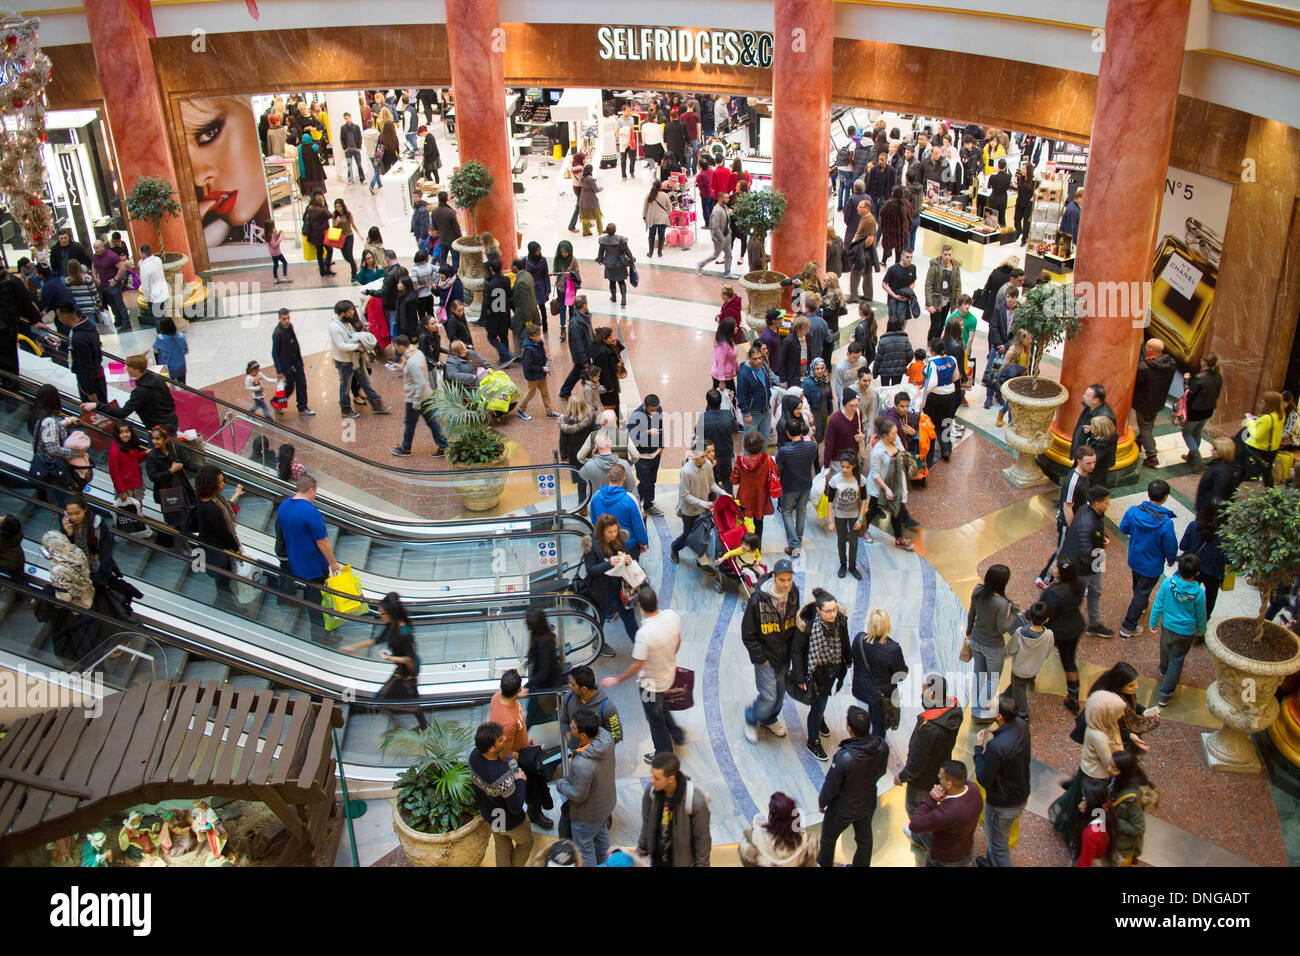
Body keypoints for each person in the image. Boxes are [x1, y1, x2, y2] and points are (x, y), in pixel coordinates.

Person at [601, 585, 683, 763]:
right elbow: (678, 641)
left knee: (654, 717)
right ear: (657, 601)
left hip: (650, 684)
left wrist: (617, 679)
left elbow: (637, 665)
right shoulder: (672, 616)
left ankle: (663, 753)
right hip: (669, 674)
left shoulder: (644, 635)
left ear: (640, 607)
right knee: (661, 705)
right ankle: (677, 733)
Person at [340, 592, 428, 730]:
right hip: (401, 668)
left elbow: (409, 659)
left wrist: (389, 658)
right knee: (400, 694)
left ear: (391, 613)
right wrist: (353, 647)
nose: (381, 616)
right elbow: (377, 640)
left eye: (383, 613)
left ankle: (423, 725)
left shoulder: (404, 633)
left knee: (406, 696)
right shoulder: (392, 625)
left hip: (409, 670)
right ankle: (422, 724)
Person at [1049, 690, 1124, 852]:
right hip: (1095, 776)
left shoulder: (1099, 726)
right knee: (1086, 809)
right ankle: (1080, 837)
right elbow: (1110, 761)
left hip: (1090, 773)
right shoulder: (1099, 736)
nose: (1121, 716)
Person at [896, 677, 963, 851]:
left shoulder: (928, 728)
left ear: (932, 695)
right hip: (939, 768)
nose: (921, 692)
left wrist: (902, 777)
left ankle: (931, 844)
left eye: (924, 689)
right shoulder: (954, 710)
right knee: (929, 806)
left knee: (915, 810)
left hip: (922, 780)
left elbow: (916, 763)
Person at [277, 473, 342, 642]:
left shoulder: (284, 506)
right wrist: (333, 563)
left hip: (294, 562)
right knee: (316, 602)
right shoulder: (311, 512)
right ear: (311, 490)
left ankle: (321, 633)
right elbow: (322, 541)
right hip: (313, 566)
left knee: (310, 597)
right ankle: (320, 637)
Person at [741, 557, 800, 743]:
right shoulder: (758, 600)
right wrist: (761, 658)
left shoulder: (794, 593)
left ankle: (769, 719)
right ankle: (751, 717)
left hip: (784, 655)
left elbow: (796, 621)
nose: (786, 584)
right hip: (766, 657)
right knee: (768, 697)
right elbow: (748, 633)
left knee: (780, 694)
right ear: (773, 577)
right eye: (782, 580)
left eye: (789, 580)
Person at [790, 588, 851, 762]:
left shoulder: (840, 620)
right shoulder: (808, 626)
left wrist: (848, 658)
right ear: (818, 610)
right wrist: (800, 677)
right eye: (829, 611)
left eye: (835, 609)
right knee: (818, 705)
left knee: (822, 701)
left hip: (832, 668)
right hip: (815, 672)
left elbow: (844, 640)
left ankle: (820, 717)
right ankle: (813, 741)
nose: (833, 614)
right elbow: (797, 651)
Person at [973, 696, 1031, 867]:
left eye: (993, 706)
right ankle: (991, 863)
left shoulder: (997, 746)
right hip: (1019, 792)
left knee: (998, 846)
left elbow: (984, 778)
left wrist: (978, 750)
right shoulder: (1021, 725)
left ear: (1000, 717)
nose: (989, 704)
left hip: (1002, 805)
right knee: (997, 840)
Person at [553, 709, 616, 866]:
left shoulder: (583, 764)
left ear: (583, 736)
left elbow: (578, 794)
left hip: (587, 815)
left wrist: (561, 785)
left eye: (573, 727)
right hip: (605, 805)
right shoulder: (606, 738)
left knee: (584, 849)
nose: (570, 728)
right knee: (602, 839)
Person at [1118, 479, 1179, 639]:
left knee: (1137, 585)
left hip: (1135, 558)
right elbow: (1170, 545)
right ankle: (1128, 626)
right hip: (1152, 565)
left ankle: (1141, 606)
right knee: (1142, 593)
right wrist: (1171, 559)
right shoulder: (1165, 523)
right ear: (1165, 497)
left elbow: (1124, 528)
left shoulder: (1133, 511)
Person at [468, 721, 534, 868]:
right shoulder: (501, 775)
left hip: (493, 815)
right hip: (512, 822)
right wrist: (521, 779)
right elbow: (516, 807)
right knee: (526, 844)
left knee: (502, 847)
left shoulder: (474, 757)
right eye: (500, 740)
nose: (504, 738)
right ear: (492, 748)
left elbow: (507, 759)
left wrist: (511, 760)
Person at [1151, 552, 1208, 707]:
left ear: (1179, 568)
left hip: (1167, 626)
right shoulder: (1199, 593)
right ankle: (1165, 694)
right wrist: (1201, 629)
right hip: (1186, 632)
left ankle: (1163, 669)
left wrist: (1153, 622)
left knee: (1165, 649)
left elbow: (1158, 604)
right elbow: (1201, 614)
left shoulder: (1167, 584)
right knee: (1176, 660)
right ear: (1197, 573)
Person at [635, 752, 711, 867]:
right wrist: (641, 848)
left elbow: (702, 843)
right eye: (652, 776)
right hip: (657, 860)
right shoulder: (652, 791)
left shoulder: (695, 802)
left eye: (657, 778)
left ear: (670, 779)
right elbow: (647, 822)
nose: (652, 781)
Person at [966, 564, 1020, 722]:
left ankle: (976, 708)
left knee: (978, 674)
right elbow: (1002, 628)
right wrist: (1014, 613)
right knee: (992, 678)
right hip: (993, 647)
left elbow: (971, 614)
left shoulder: (977, 591)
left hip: (976, 640)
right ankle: (980, 711)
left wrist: (969, 633)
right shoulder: (1001, 603)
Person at [582, 513, 642, 654]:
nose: (614, 534)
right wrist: (608, 564)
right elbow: (590, 569)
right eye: (610, 532)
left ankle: (641, 648)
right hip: (602, 591)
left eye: (615, 530)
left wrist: (628, 559)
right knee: (599, 619)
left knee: (629, 618)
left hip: (620, 589)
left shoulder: (620, 538)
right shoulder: (591, 544)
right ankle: (598, 644)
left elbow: (626, 555)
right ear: (601, 531)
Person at [1036, 445, 1095, 587]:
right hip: (1067, 523)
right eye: (1089, 463)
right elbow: (1067, 508)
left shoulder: (1084, 476)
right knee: (1063, 552)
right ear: (1079, 461)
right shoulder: (1073, 482)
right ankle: (1044, 578)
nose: (1092, 466)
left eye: (1093, 462)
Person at [1059, 485, 1113, 637]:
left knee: (1096, 590)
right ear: (1097, 503)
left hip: (1095, 560)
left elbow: (1095, 533)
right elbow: (1085, 552)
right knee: (1077, 596)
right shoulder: (1087, 523)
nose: (1108, 505)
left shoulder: (1089, 511)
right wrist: (1101, 548)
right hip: (1084, 566)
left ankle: (1094, 624)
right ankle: (1069, 623)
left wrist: (1101, 539)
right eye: (1106, 502)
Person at [908, 759, 983, 867]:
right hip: (965, 849)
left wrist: (931, 799)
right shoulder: (974, 789)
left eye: (941, 777)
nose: (938, 776)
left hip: (946, 859)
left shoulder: (947, 812)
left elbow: (915, 825)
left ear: (949, 784)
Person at [83, 353, 178, 436]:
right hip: (170, 423)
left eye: (128, 367)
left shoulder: (140, 392)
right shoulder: (157, 379)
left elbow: (122, 412)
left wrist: (97, 405)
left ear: (136, 371)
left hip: (158, 431)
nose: (126, 369)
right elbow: (170, 401)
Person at [850, 608, 908, 739]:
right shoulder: (892, 649)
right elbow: (901, 674)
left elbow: (853, 657)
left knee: (873, 711)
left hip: (864, 689)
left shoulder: (859, 639)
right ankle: (876, 749)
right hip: (881, 695)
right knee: (879, 728)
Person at [329, 300, 391, 419]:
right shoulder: (334, 327)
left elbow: (352, 336)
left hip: (355, 358)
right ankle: (345, 408)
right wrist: (358, 346)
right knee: (345, 385)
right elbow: (341, 345)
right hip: (344, 361)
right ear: (342, 313)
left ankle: (377, 405)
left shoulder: (346, 323)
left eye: (352, 310)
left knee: (365, 381)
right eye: (349, 311)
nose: (353, 313)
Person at [193, 464, 244, 608]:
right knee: (223, 580)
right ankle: (225, 604)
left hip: (212, 550)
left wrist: (235, 496)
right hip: (218, 553)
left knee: (222, 580)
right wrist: (236, 548)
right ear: (211, 484)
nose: (223, 484)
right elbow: (224, 533)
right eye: (220, 482)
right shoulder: (211, 508)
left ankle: (224, 601)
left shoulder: (208, 499)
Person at [389, 335, 449, 458]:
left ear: (401, 346)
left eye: (396, 347)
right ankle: (443, 445)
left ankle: (405, 448)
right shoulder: (415, 352)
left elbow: (419, 382)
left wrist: (416, 403)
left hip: (416, 398)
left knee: (410, 423)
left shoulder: (412, 362)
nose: (395, 349)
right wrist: (400, 367)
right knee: (431, 421)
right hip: (426, 394)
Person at [143, 426, 194, 548]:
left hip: (182, 488)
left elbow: (188, 464)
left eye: (157, 439)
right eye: (153, 439)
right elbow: (153, 477)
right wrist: (171, 471)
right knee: (175, 521)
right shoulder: (152, 456)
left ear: (165, 439)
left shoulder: (176, 448)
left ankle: (186, 543)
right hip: (167, 493)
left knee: (186, 517)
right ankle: (182, 545)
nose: (154, 441)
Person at [774, 418, 818, 557]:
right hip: (806, 484)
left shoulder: (784, 451)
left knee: (786, 512)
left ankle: (794, 544)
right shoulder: (811, 446)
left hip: (789, 486)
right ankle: (797, 540)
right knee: (801, 511)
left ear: (787, 433)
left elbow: (778, 470)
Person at [1132, 338, 1178, 468]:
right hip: (1158, 401)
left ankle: (1152, 456)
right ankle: (1139, 441)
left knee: (1145, 428)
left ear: (1150, 350)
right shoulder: (1171, 363)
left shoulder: (1144, 367)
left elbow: (1136, 383)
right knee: (1149, 424)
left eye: (1146, 347)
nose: (1145, 348)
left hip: (1144, 402)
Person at [738, 791, 816, 867]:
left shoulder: (753, 843)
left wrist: (755, 831)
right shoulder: (807, 843)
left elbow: (746, 860)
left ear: (772, 817)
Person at [1005, 602, 1055, 720]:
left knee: (1019, 690)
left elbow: (1011, 649)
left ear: (1029, 618)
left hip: (1019, 669)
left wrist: (1004, 654)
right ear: (1047, 620)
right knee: (1019, 685)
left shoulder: (1020, 633)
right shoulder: (1049, 635)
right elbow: (1048, 650)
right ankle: (1005, 696)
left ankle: (1023, 713)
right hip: (1035, 668)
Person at [560, 664, 624, 753]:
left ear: (583, 689)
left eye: (573, 684)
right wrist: (570, 740)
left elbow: (616, 736)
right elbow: (564, 721)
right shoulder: (569, 698)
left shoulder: (608, 708)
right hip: (576, 753)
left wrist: (594, 750)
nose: (570, 686)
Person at [1180, 508, 1227, 619]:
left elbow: (1182, 546)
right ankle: (1204, 619)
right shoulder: (1226, 536)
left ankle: (1185, 615)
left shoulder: (1194, 526)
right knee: (1210, 597)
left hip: (1193, 567)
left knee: (1188, 591)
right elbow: (1229, 560)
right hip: (1214, 573)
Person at [54, 303, 106, 404]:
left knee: (97, 411)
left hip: (91, 381)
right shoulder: (87, 325)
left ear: (65, 315)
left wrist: (90, 392)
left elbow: (85, 366)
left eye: (59, 316)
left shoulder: (79, 337)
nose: (59, 319)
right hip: (98, 374)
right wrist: (63, 344)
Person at [731, 430, 776, 545]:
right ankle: (757, 546)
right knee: (759, 521)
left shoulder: (740, 460)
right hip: (760, 495)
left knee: (743, 522)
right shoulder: (767, 459)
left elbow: (734, 480)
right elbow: (774, 474)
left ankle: (743, 545)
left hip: (744, 495)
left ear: (745, 444)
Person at [270, 309, 314, 417]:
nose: (287, 321)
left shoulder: (290, 327)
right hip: (287, 365)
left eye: (288, 318)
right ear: (279, 318)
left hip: (296, 362)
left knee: (302, 384)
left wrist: (299, 359)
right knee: (290, 386)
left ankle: (303, 407)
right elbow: (274, 353)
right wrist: (279, 370)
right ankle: (276, 401)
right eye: (284, 319)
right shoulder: (277, 333)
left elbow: (294, 343)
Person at [1236, 390, 1285, 487]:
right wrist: (1258, 421)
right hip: (1272, 449)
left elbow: (1256, 435)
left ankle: (1229, 495)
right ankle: (1273, 498)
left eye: (1264, 401)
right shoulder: (1280, 415)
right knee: (1267, 473)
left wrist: (1249, 421)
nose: (1262, 403)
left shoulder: (1267, 418)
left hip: (1258, 449)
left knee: (1242, 470)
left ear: (1270, 403)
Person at [627, 394, 665, 516]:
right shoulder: (635, 416)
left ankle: (648, 504)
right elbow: (632, 438)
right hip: (642, 456)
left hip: (655, 454)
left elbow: (661, 428)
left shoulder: (658, 410)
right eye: (651, 410)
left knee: (652, 481)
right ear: (645, 406)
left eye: (656, 409)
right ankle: (635, 503)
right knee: (645, 482)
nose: (654, 412)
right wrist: (646, 433)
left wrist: (661, 446)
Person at [1110, 751, 1150, 866]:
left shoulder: (1131, 800)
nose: (1108, 769)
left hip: (1120, 844)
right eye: (1109, 765)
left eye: (1114, 769)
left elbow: (1139, 828)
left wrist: (1116, 821)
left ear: (1124, 773)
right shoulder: (1115, 781)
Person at [737, 342, 777, 442]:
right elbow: (741, 395)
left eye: (760, 358)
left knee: (765, 438)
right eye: (755, 359)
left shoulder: (763, 367)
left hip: (766, 410)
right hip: (752, 413)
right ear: (749, 359)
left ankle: (761, 457)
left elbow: (766, 384)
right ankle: (748, 458)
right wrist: (746, 413)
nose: (758, 361)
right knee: (750, 441)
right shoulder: (744, 374)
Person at [108, 421, 148, 519]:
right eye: (121, 432)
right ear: (117, 434)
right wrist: (121, 491)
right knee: (128, 514)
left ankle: (139, 530)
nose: (125, 434)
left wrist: (146, 453)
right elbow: (114, 473)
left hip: (136, 484)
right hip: (126, 487)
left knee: (138, 508)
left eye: (127, 431)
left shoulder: (129, 445)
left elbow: (135, 460)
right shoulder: (115, 451)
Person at [91, 238, 131, 332]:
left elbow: (122, 267)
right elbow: (93, 266)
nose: (96, 250)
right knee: (112, 305)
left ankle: (126, 323)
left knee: (119, 304)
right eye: (94, 248)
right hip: (103, 285)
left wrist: (115, 279)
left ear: (103, 247)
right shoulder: (95, 256)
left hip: (113, 285)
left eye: (97, 248)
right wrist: (95, 278)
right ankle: (118, 320)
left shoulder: (112, 256)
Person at [924, 244, 962, 342]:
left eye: (949, 255)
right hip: (936, 301)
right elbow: (928, 285)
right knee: (935, 325)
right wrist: (929, 303)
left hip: (947, 301)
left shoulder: (955, 268)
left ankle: (936, 342)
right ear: (941, 254)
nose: (947, 257)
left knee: (941, 325)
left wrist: (957, 301)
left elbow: (958, 285)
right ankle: (930, 341)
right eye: (945, 254)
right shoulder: (935, 267)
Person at [1069, 383, 1117, 461]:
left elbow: (1103, 443)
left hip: (1091, 461)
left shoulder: (1105, 418)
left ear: (1096, 400)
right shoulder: (1089, 406)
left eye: (1087, 395)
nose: (1083, 396)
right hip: (1082, 453)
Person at [697, 191, 736, 278]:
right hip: (720, 238)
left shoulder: (724, 207)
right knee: (715, 256)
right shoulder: (717, 210)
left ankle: (727, 272)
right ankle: (700, 264)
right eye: (726, 198)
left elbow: (726, 220)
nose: (728, 199)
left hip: (726, 236)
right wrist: (721, 238)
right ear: (721, 198)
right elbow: (715, 227)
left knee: (729, 255)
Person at [1196, 436, 1238, 514]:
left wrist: (1209, 513)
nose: (1212, 450)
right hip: (1205, 506)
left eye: (1215, 449)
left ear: (1223, 452)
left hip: (1208, 511)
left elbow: (1217, 494)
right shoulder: (1220, 464)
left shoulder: (1222, 471)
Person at [151, 315, 188, 385]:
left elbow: (155, 350)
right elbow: (185, 350)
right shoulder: (181, 336)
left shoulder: (160, 338)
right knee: (183, 385)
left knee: (169, 386)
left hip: (167, 368)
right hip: (181, 367)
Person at [429, 192, 462, 269]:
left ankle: (444, 273)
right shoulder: (450, 212)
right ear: (447, 199)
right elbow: (456, 227)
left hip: (442, 239)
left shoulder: (434, 213)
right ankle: (454, 274)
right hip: (452, 240)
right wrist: (460, 237)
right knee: (455, 259)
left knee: (443, 258)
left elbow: (435, 227)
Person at [578, 164, 603, 237]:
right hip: (591, 199)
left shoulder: (582, 177)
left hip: (583, 199)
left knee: (585, 216)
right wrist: (601, 188)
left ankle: (586, 231)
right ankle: (600, 229)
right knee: (598, 215)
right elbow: (596, 190)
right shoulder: (590, 179)